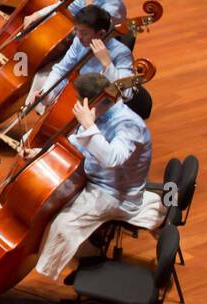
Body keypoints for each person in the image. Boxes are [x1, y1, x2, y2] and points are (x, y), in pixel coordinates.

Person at [33, 73, 164, 281]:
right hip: (98, 180)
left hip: (115, 194)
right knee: (54, 205)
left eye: (80, 100)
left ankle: (78, 264)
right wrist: (37, 154)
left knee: (62, 225)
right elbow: (75, 144)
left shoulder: (129, 125)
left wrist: (88, 126)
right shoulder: (102, 114)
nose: (77, 105)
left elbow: (113, 159)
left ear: (96, 101)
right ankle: (93, 251)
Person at [28, 5, 136, 113]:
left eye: (84, 33)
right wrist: (45, 94)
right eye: (77, 30)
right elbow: (61, 70)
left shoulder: (122, 53)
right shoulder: (79, 41)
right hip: (76, 99)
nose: (79, 36)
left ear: (101, 33)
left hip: (101, 108)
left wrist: (107, 63)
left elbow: (127, 93)